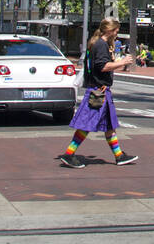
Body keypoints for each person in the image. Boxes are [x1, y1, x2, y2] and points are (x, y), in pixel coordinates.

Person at [59, 18, 138, 168]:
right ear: (109, 30)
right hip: (99, 92)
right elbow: (102, 66)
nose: (117, 33)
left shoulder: (96, 43)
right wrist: (122, 62)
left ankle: (119, 155)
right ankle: (69, 154)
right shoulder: (101, 45)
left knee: (109, 125)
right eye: (115, 30)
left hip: (100, 91)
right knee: (86, 125)